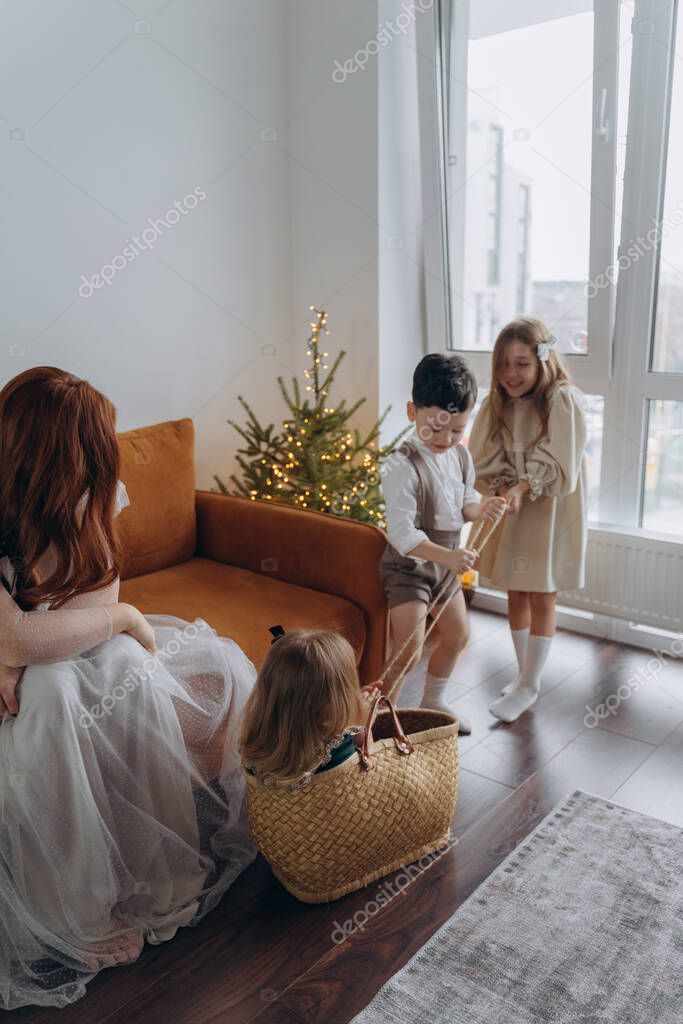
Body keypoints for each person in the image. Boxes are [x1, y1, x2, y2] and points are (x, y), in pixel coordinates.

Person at [0, 367, 258, 1010]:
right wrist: (115, 622)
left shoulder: (89, 499)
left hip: (66, 648)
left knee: (125, 667)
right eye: (94, 450)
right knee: (54, 691)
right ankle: (73, 910)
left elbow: (98, 594)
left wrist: (107, 622)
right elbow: (19, 641)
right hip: (36, 661)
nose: (104, 465)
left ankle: (157, 878)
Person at [377, 354, 507, 734]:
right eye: (433, 429)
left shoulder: (460, 456)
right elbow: (402, 535)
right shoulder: (401, 465)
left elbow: (462, 504)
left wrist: (480, 510)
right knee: (408, 650)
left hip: (446, 566)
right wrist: (449, 556)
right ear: (411, 412)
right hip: (410, 568)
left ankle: (433, 701)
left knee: (458, 635)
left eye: (455, 431)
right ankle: (380, 721)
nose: (444, 440)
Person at [468, 317, 588, 724]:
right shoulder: (498, 402)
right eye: (503, 365)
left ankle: (529, 684)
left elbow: (558, 456)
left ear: (542, 362)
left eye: (521, 364)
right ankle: (524, 676)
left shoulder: (560, 400)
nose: (510, 374)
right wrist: (503, 486)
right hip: (512, 503)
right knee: (515, 592)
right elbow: (486, 451)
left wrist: (523, 487)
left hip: (547, 508)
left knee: (541, 593)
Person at [240, 629, 377, 789]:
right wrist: (364, 726)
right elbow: (371, 774)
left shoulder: (255, 739)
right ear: (338, 699)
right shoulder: (339, 747)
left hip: (269, 812)